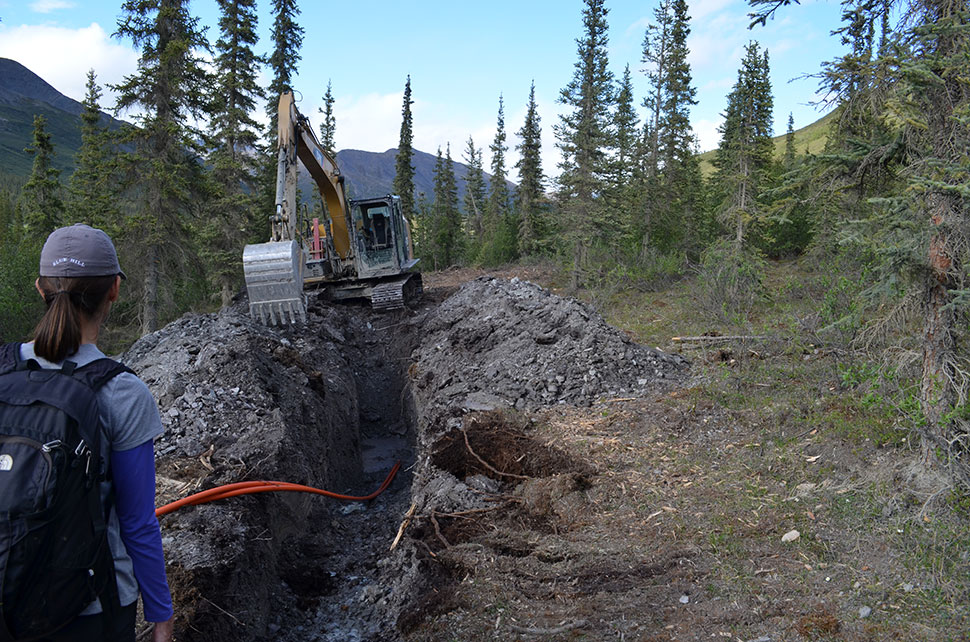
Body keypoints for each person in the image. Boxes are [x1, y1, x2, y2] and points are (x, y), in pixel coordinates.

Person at [23, 224, 174, 642]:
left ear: (40, 289)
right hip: (93, 606)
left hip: (11, 593)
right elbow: (137, 521)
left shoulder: (4, 373)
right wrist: (161, 614)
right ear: (114, 291)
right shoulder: (121, 391)